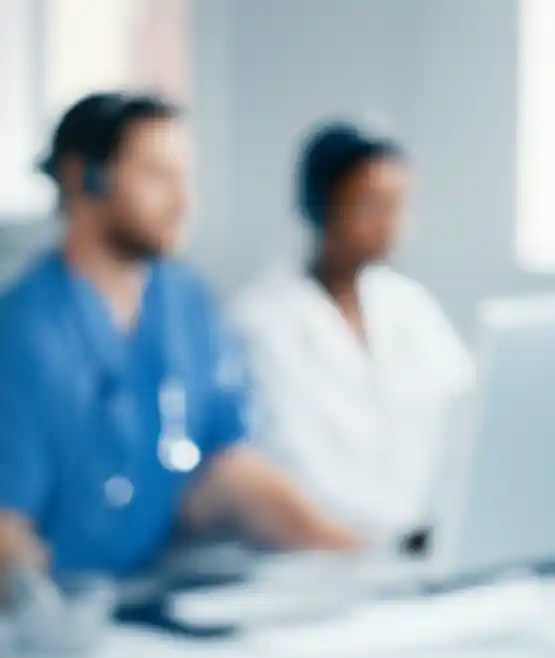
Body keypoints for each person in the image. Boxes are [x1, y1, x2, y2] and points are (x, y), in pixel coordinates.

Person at [0, 93, 360, 592]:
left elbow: (226, 468)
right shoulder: (24, 330)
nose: (183, 201)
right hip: (60, 611)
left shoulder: (184, 301)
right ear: (84, 177)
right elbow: (7, 532)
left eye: (185, 177)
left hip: (157, 590)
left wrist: (353, 560)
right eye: (157, 177)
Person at [231, 122, 474, 549]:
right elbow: (293, 466)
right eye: (370, 207)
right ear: (319, 206)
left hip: (418, 541)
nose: (388, 225)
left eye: (397, 207)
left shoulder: (409, 305)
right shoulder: (261, 322)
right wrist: (387, 536)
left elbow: (465, 412)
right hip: (322, 553)